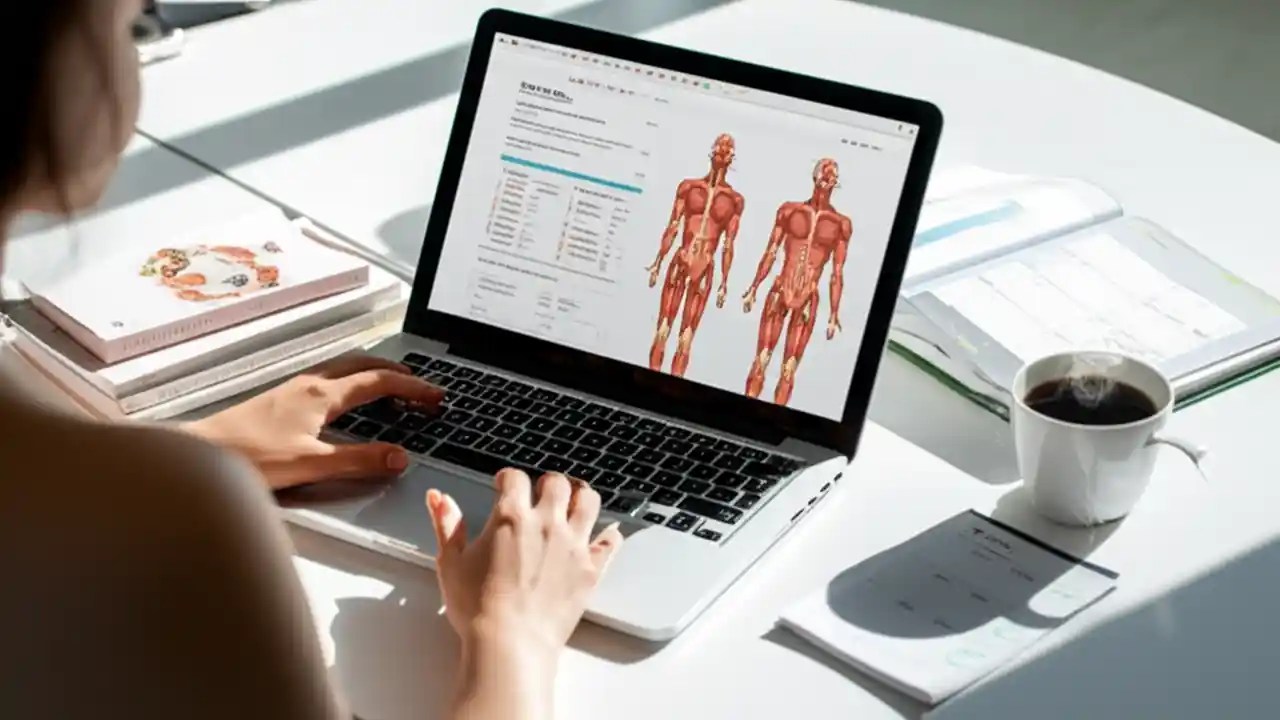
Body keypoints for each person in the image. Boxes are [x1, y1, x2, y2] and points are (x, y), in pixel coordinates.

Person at [0, 2, 624, 718]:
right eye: (128, 20)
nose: (136, 51)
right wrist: (513, 635)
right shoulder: (172, 523)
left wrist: (196, 445)